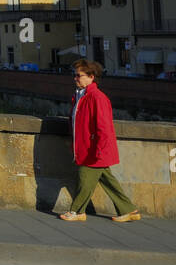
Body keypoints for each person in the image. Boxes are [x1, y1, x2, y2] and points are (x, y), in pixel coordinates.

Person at [60, 60, 140, 223]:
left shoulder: (97, 97)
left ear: (91, 77)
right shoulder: (80, 96)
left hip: (93, 149)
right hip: (86, 147)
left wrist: (100, 148)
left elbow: (104, 126)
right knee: (107, 180)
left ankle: (77, 211)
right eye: (74, 75)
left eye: (78, 75)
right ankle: (128, 210)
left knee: (85, 178)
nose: (75, 78)